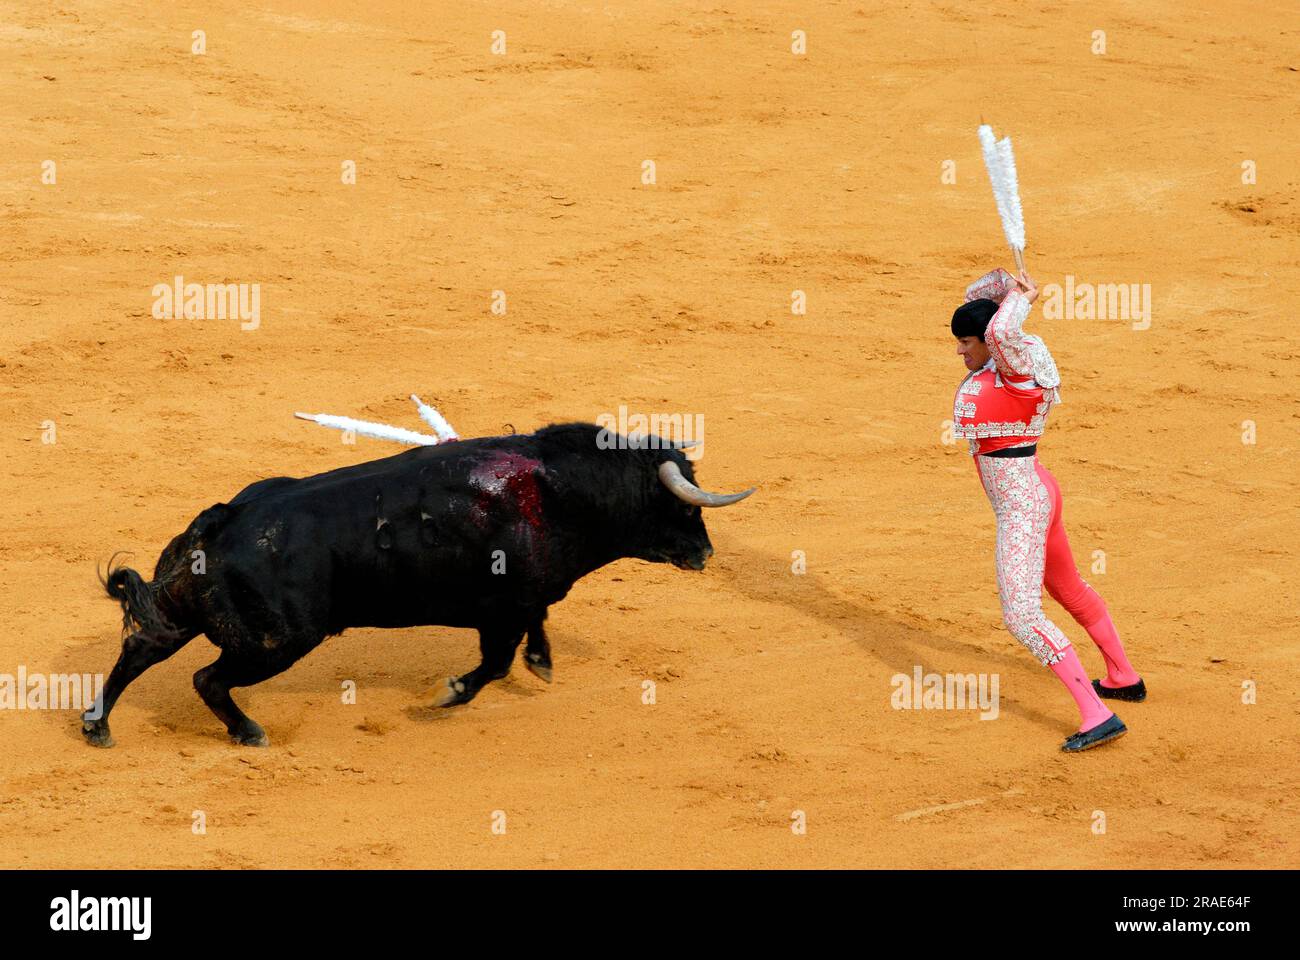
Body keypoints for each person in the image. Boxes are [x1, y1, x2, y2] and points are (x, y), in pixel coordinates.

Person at [951, 267, 1145, 751]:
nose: (960, 351)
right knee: (1067, 587)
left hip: (1022, 505)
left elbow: (999, 328)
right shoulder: (1015, 357)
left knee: (1021, 614)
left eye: (965, 342)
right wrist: (1013, 286)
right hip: (1039, 488)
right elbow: (983, 301)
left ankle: (1096, 713)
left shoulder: (1014, 364)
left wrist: (1024, 299)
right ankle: (1122, 674)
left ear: (989, 341)